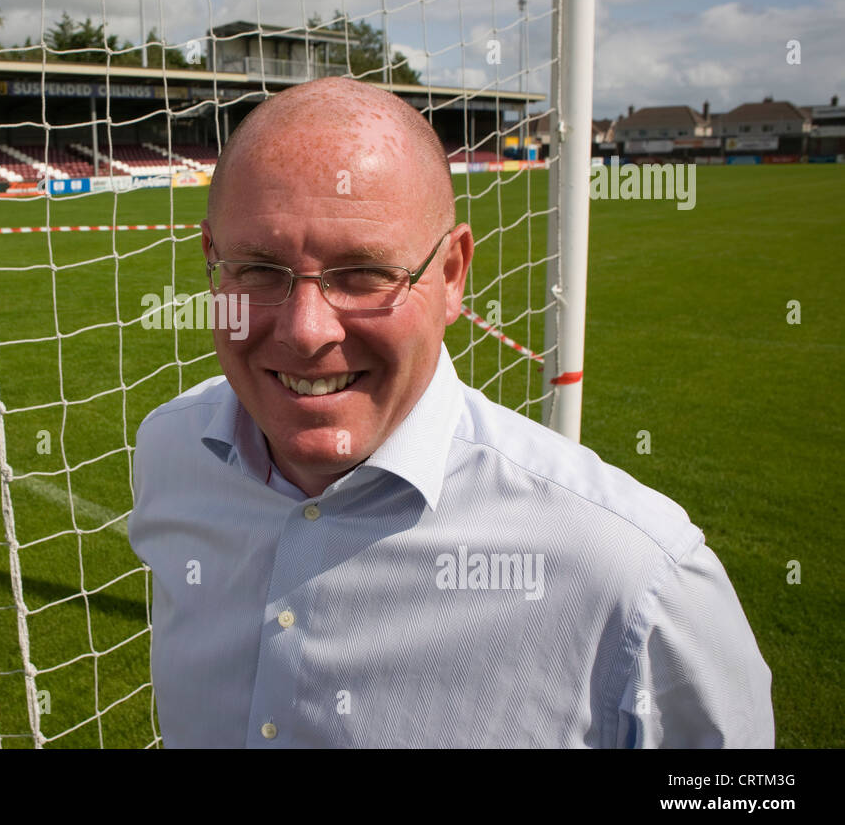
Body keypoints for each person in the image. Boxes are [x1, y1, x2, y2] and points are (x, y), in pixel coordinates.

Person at [128, 77, 774, 748]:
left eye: (363, 273)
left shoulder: (638, 583)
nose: (307, 331)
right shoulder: (171, 452)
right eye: (258, 269)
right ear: (211, 261)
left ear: (453, 274)